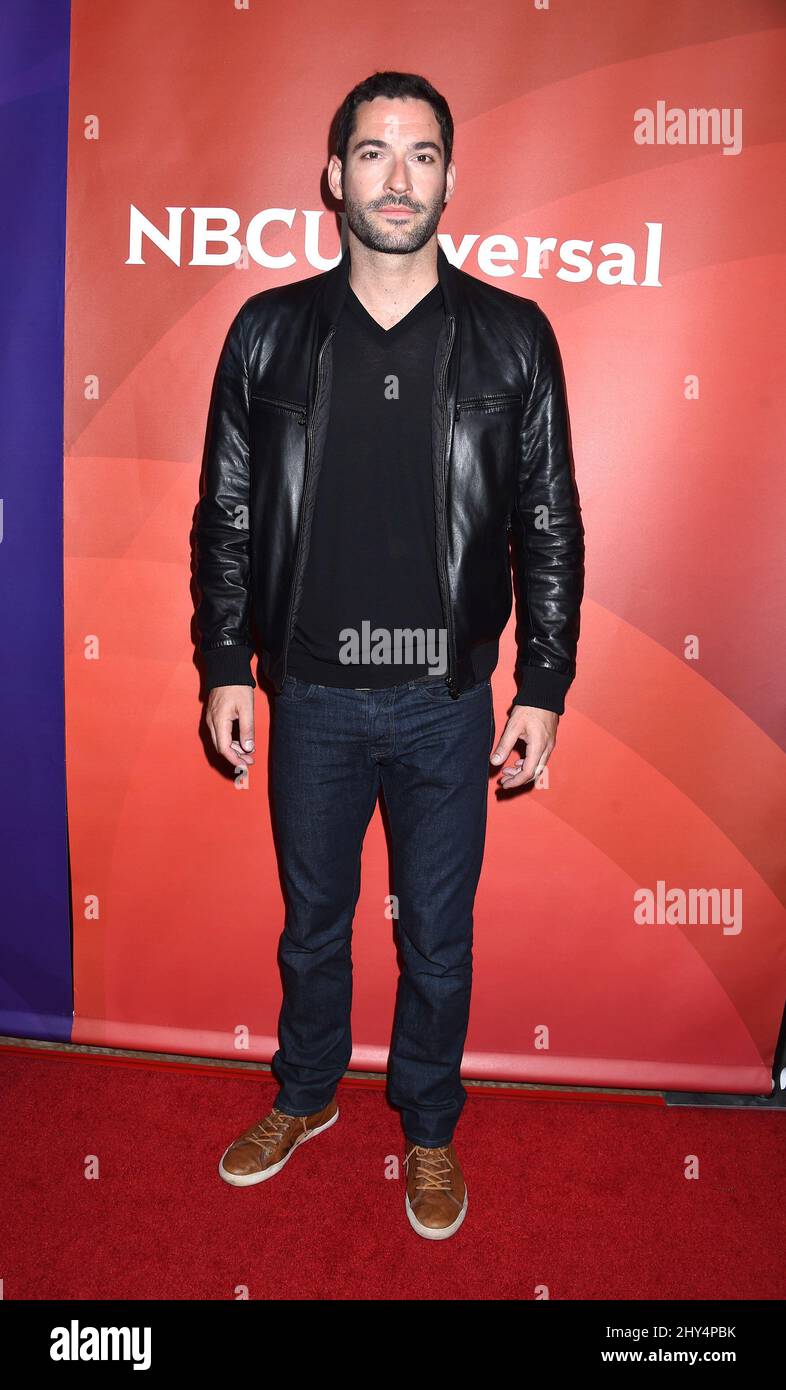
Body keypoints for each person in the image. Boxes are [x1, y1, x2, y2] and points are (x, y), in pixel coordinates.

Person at [194, 70, 584, 1241]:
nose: (397, 178)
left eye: (420, 156)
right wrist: (224, 661)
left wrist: (546, 683)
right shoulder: (267, 331)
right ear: (335, 177)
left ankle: (426, 1127)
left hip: (445, 702)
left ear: (451, 181)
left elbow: (550, 521)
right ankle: (306, 1093)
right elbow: (227, 513)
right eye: (373, 154)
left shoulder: (512, 338)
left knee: (439, 936)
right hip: (307, 694)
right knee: (312, 923)